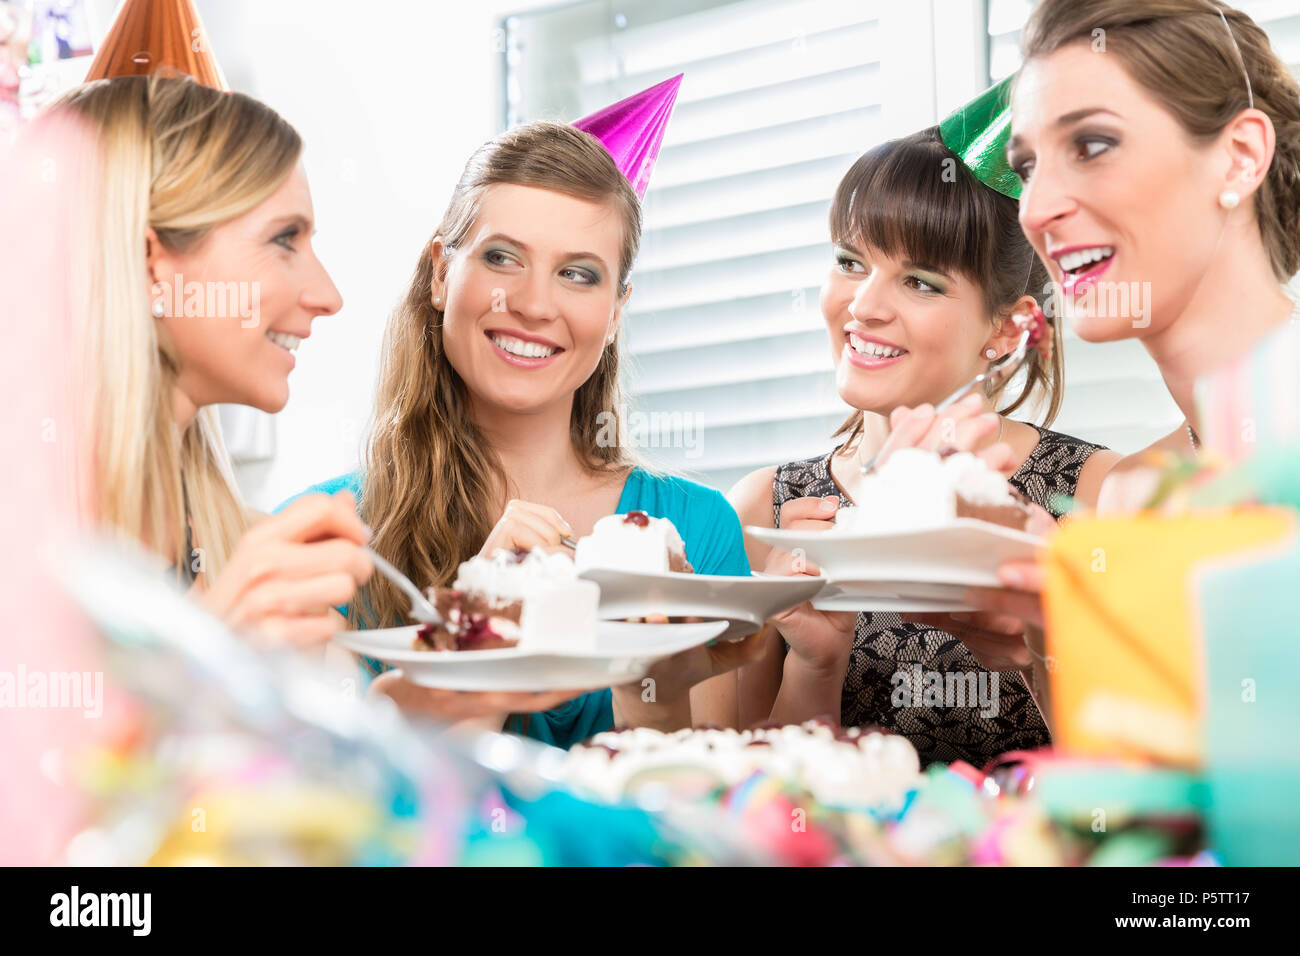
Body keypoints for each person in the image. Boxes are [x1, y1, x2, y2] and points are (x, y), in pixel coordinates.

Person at [292, 103, 762, 747]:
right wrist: (476, 620)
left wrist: (653, 687)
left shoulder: (700, 530)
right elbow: (332, 814)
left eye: (577, 274)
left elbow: (700, 825)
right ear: (440, 274)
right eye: (503, 258)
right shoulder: (324, 534)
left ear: (617, 309)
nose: (536, 305)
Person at [917, 0, 1300, 688]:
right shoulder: (1128, 497)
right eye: (1028, 166)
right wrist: (1047, 632)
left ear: (1240, 157)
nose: (1034, 210)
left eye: (1091, 145)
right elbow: (1134, 785)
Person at [728, 120, 1119, 765]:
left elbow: (1140, 777)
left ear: (1007, 328)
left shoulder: (1098, 495)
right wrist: (815, 662)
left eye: (920, 281)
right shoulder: (767, 510)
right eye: (851, 262)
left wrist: (1044, 632)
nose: (863, 306)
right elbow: (749, 804)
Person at [49, 73, 373, 647]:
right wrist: (221, 658)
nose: (329, 296)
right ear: (151, 265)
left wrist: (434, 698)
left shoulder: (232, 536)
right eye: (283, 240)